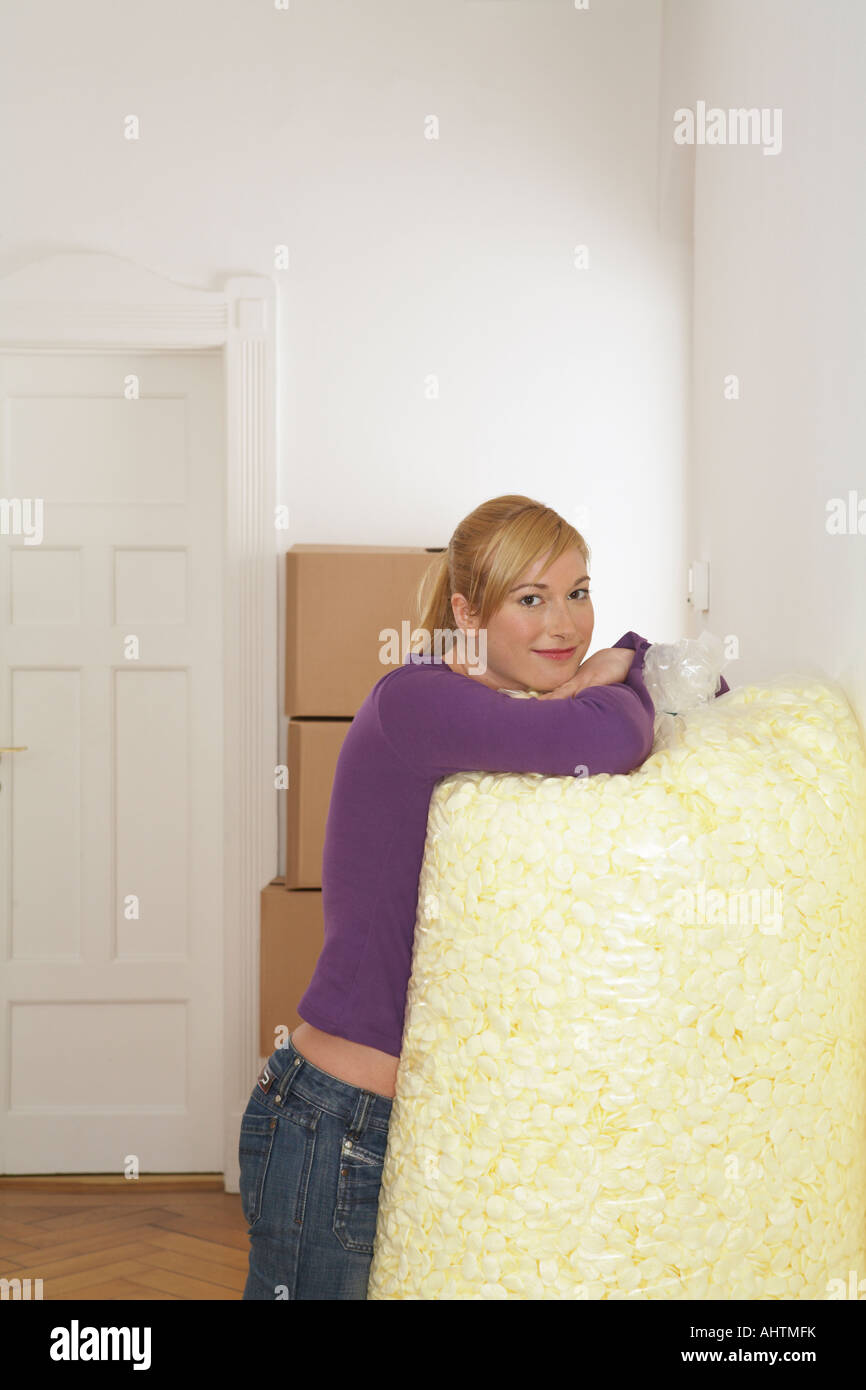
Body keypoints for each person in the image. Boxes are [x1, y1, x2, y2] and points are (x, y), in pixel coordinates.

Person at [238, 494, 730, 1299]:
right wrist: (620, 668)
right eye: (529, 600)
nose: (564, 625)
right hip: (333, 1121)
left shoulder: (501, 710)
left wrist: (631, 655)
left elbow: (707, 682)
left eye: (578, 592)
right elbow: (609, 739)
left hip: (412, 1124)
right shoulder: (417, 700)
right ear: (468, 610)